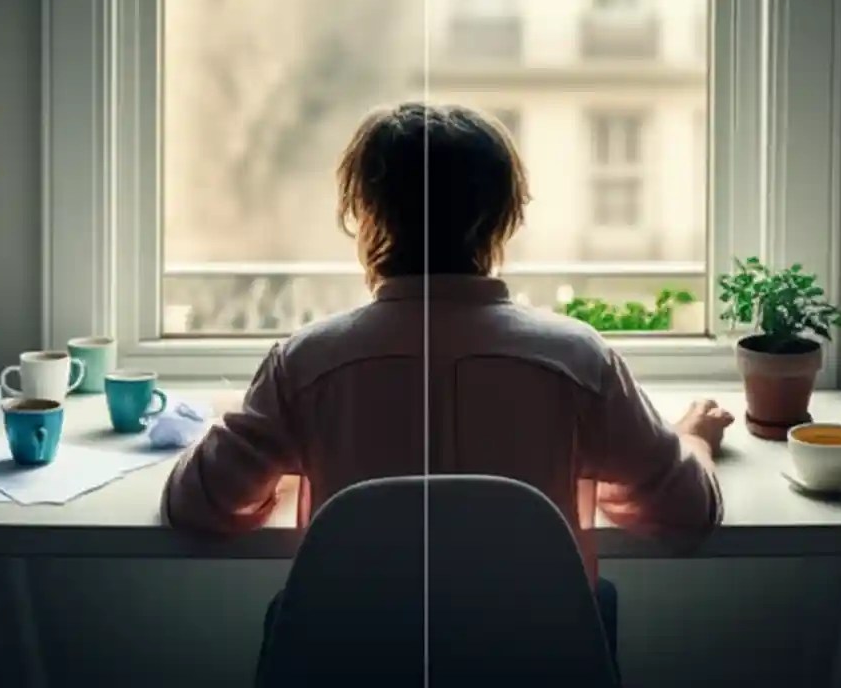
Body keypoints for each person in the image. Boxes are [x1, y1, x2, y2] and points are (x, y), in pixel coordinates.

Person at [161, 102, 730, 684]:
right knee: (595, 601)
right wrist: (695, 443)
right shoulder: (579, 359)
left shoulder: (308, 363)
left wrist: (255, 436)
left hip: (353, 664)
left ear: (368, 215)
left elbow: (195, 506)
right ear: (503, 218)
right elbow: (685, 511)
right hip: (533, 664)